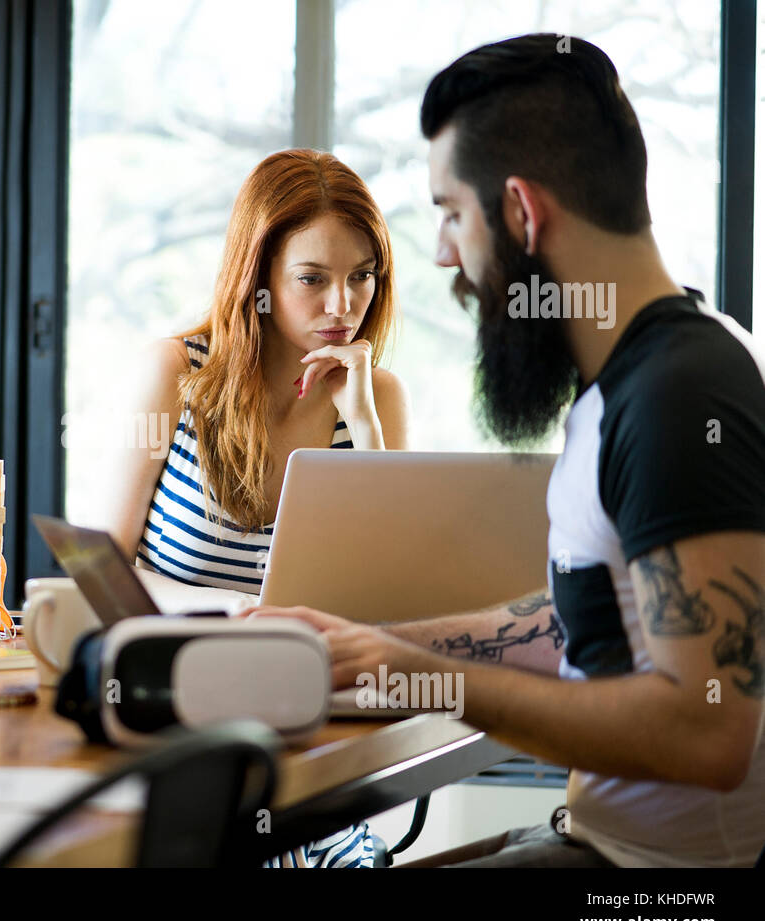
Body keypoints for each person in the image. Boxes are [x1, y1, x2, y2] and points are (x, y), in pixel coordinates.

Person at [248, 34, 765, 867]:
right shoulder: (631, 386)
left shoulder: (684, 394)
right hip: (596, 842)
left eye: (452, 214)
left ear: (522, 212)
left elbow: (707, 734)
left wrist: (414, 673)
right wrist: (360, 643)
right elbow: (580, 623)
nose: (447, 254)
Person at [110, 149, 410, 866]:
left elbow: (395, 590)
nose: (343, 305)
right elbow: (106, 562)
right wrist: (226, 609)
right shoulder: (174, 374)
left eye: (362, 276)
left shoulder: (378, 400)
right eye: (312, 279)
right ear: (260, 279)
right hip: (185, 718)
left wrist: (364, 425)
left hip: (313, 731)